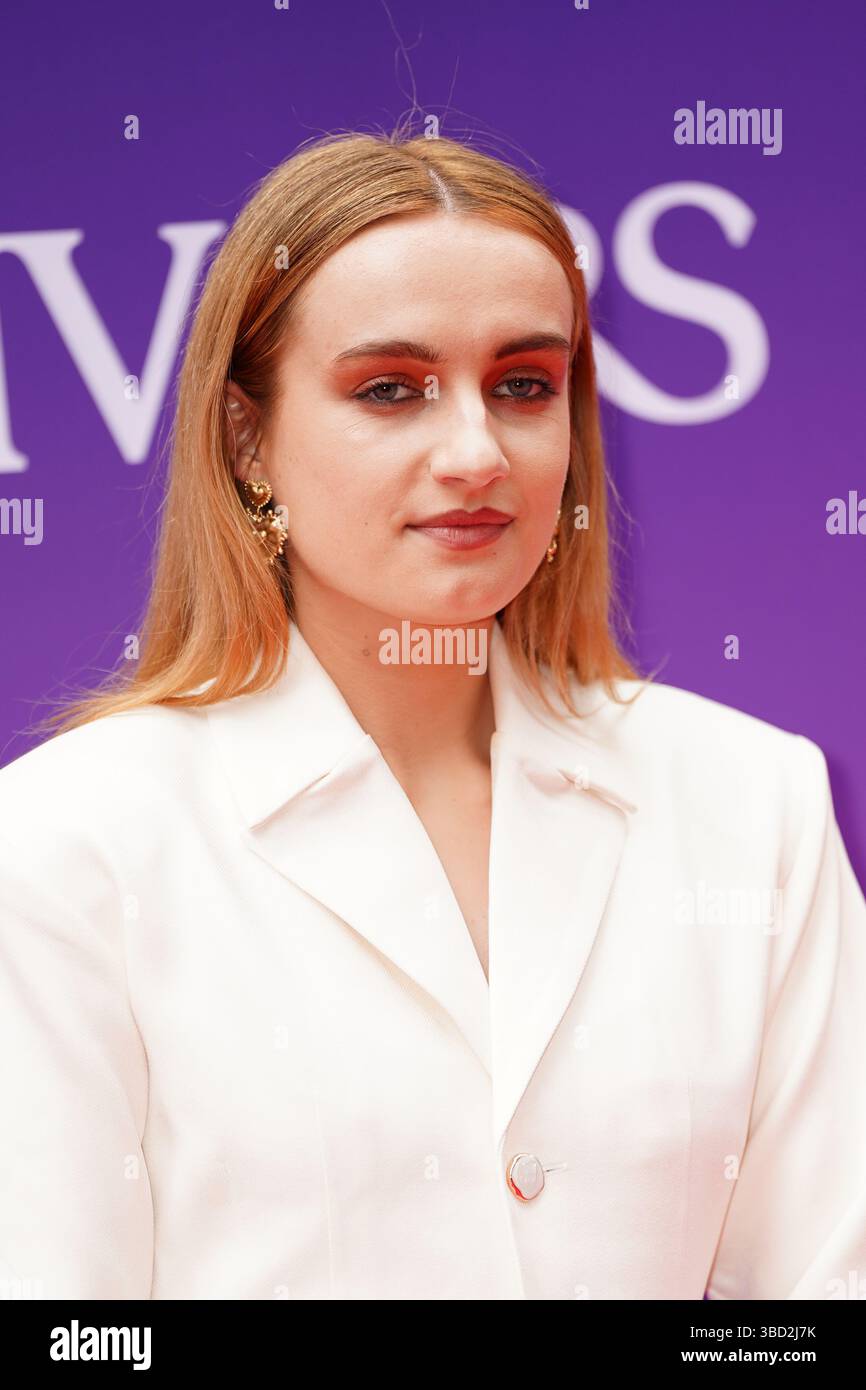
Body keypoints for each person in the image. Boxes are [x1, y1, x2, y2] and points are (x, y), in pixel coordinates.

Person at [1, 128, 865, 1302]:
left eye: (522, 384)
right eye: (389, 390)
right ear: (248, 440)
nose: (474, 451)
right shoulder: (67, 840)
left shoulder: (750, 798)